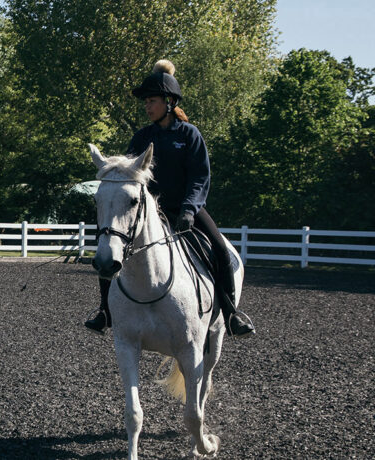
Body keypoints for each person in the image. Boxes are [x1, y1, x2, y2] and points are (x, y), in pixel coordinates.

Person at [85, 59, 255, 337]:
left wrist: (189, 208)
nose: (147, 107)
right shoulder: (141, 138)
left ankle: (231, 313)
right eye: (146, 102)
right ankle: (105, 311)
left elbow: (200, 177)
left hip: (185, 209)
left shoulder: (190, 135)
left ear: (168, 102)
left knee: (221, 250)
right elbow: (131, 177)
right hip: (147, 213)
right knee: (110, 248)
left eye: (151, 101)